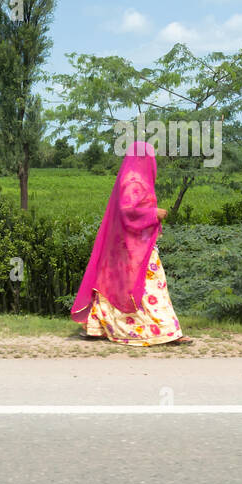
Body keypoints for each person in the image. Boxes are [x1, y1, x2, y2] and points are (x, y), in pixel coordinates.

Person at [71, 141, 189, 345]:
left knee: (118, 284)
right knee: (150, 286)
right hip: (134, 248)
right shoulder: (133, 181)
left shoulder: (134, 179)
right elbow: (128, 211)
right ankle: (166, 332)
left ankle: (97, 327)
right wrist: (154, 214)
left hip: (131, 245)